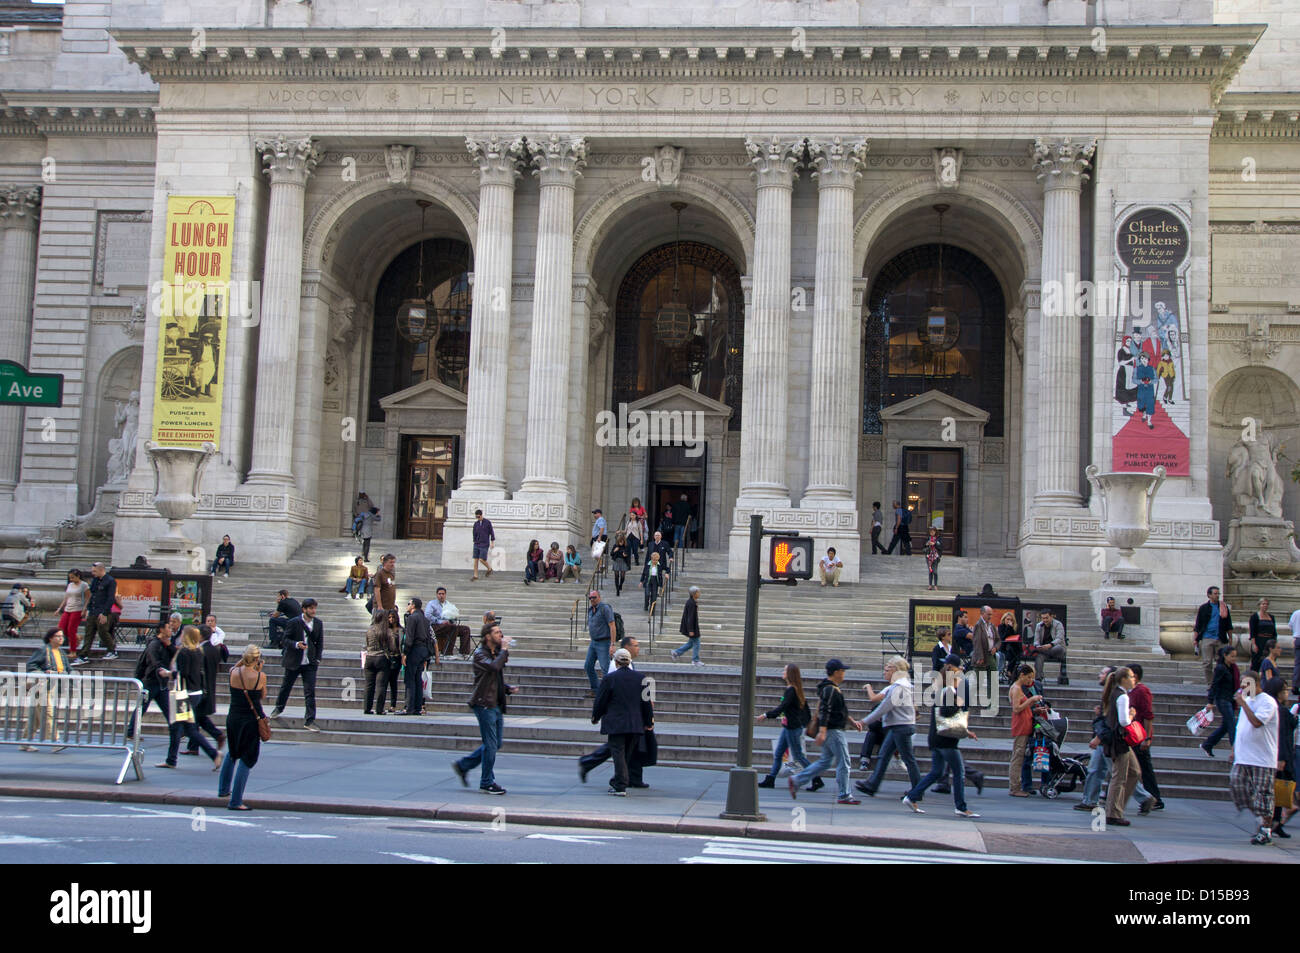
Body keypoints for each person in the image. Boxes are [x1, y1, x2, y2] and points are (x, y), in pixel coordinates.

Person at [902, 655, 981, 817]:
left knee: (936, 772)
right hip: (946, 740)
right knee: (959, 772)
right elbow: (947, 713)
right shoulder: (950, 692)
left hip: (936, 737)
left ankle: (911, 796)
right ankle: (961, 806)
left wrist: (966, 730)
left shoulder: (940, 691)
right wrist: (961, 706)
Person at [452, 621, 517, 795]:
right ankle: (487, 781)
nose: (500, 635)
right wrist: (504, 650)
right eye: (497, 633)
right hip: (484, 704)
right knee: (490, 745)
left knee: (496, 743)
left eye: (501, 632)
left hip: (495, 703)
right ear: (488, 636)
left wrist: (506, 688)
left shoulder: (493, 653)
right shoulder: (480, 654)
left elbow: (493, 678)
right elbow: (494, 667)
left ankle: (463, 765)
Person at [789, 659, 864, 805]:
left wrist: (851, 722)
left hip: (831, 730)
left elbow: (838, 709)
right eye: (842, 671)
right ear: (836, 672)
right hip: (833, 730)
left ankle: (797, 780)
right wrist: (822, 731)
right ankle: (844, 794)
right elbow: (825, 710)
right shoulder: (830, 689)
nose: (844, 674)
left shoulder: (830, 688)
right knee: (844, 761)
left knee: (825, 761)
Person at [590, 648, 654, 795]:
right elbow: (646, 702)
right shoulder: (641, 678)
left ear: (616, 662)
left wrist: (595, 717)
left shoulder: (609, 678)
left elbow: (601, 700)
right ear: (629, 661)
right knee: (626, 754)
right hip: (635, 723)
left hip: (616, 722)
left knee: (618, 752)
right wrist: (649, 721)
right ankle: (620, 781)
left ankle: (620, 785)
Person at [159, 626, 222, 772]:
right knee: (179, 727)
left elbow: (183, 674)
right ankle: (171, 759)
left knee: (187, 729)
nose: (180, 635)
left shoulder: (185, 652)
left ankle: (212, 754)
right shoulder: (198, 651)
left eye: (182, 633)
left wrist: (168, 674)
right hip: (195, 692)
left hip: (183, 693)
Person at [856, 656, 921, 798]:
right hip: (899, 725)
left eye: (888, 668)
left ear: (896, 670)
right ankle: (872, 785)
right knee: (884, 755)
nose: (885, 671)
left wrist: (864, 721)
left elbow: (882, 708)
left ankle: (917, 790)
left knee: (908, 759)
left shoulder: (898, 688)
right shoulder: (902, 686)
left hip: (901, 727)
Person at [1231, 676, 1283, 845]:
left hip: (1262, 757)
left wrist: (1243, 704)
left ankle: (1265, 829)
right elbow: (1242, 726)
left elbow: (1256, 723)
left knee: (1264, 794)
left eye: (1247, 685)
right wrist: (1234, 749)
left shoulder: (1267, 702)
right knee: (1236, 782)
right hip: (1244, 755)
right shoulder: (1247, 700)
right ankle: (1260, 817)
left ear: (1257, 684)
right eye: (1242, 685)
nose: (1243, 688)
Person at [217, 645, 268, 811]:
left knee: (233, 752)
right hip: (250, 720)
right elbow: (262, 696)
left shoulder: (233, 672)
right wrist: (257, 668)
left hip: (233, 718)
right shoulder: (260, 676)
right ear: (257, 659)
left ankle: (223, 789)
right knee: (247, 758)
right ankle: (236, 800)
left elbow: (236, 667)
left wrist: (245, 660)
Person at [270, 597, 323, 731]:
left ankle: (310, 720)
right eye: (311, 608)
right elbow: (285, 639)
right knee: (286, 686)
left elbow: (320, 643)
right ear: (304, 609)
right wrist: (296, 644)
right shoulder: (294, 622)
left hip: (309, 663)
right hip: (294, 660)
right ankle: (278, 707)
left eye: (314, 608)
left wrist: (317, 659)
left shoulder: (318, 623)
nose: (313, 611)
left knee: (309, 691)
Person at [757, 663, 812, 787]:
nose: (783, 672)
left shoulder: (792, 690)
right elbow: (805, 709)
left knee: (798, 756)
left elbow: (782, 707)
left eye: (785, 670)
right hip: (790, 727)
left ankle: (816, 778)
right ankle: (771, 779)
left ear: (790, 674)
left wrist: (766, 715)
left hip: (792, 728)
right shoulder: (794, 689)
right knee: (779, 753)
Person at [1102, 667, 1141, 827]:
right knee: (1119, 777)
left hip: (1118, 740)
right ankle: (1113, 812)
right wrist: (1132, 715)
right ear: (1123, 679)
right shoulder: (1122, 696)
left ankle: (1116, 808)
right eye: (1131, 677)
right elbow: (1124, 721)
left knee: (1134, 772)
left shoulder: (1116, 693)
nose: (1134, 680)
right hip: (1120, 740)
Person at [20, 628, 70, 751]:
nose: (61, 638)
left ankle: (25, 742)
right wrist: (43, 673)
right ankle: (55, 742)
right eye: (58, 636)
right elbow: (31, 665)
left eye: (62, 636)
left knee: (35, 717)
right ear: (50, 638)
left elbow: (67, 668)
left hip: (52, 687)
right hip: (41, 687)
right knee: (48, 713)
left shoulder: (61, 652)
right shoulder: (43, 651)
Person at [183, 623, 228, 757]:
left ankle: (196, 745)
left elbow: (198, 670)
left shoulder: (202, 651)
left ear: (201, 636)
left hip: (201, 688)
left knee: (195, 717)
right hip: (208, 686)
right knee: (199, 717)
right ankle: (215, 736)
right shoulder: (213, 649)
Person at [1127, 663, 1165, 812]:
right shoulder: (1132, 691)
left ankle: (1154, 798)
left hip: (1139, 735)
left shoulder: (1142, 691)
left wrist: (1147, 738)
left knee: (1143, 768)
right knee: (1140, 768)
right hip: (1133, 735)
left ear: (1134, 676)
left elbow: (1148, 716)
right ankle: (1151, 797)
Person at [1008, 664, 1048, 797]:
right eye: (1029, 677)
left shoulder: (1018, 688)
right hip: (1021, 725)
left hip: (1025, 723)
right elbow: (1016, 709)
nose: (1030, 681)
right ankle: (1015, 787)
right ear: (1022, 675)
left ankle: (1016, 786)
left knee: (1019, 755)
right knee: (1018, 756)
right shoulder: (1016, 688)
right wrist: (1031, 700)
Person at [1201, 645, 1242, 757]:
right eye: (1232, 656)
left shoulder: (1233, 668)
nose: (1234, 659)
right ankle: (1236, 750)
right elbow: (1214, 685)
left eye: (1235, 656)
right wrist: (1210, 701)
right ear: (1225, 656)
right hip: (1222, 699)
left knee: (1226, 726)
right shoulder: (1220, 668)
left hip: (1230, 699)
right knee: (1232, 724)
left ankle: (1208, 744)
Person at [400, 597, 438, 715]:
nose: (407, 605)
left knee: (410, 679)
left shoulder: (412, 618)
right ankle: (417, 707)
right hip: (423, 651)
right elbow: (429, 637)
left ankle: (409, 707)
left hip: (414, 650)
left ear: (413, 606)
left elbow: (409, 637)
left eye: (409, 604)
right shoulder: (425, 619)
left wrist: (405, 652)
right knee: (418, 679)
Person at [77, 561, 118, 664]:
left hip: (103, 611)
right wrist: (87, 608)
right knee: (89, 632)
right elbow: (92, 594)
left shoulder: (110, 581)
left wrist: (105, 613)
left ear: (101, 570)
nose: (93, 573)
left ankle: (112, 650)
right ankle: (83, 655)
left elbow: (110, 598)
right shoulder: (95, 580)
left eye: (94, 571)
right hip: (93, 610)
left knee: (103, 631)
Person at [1193, 586, 1233, 686]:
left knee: (1222, 662)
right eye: (1215, 593)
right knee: (1207, 663)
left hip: (1221, 638)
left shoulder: (1223, 607)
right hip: (1207, 637)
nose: (1217, 595)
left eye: (1218, 593)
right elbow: (1198, 624)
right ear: (1209, 595)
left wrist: (1230, 638)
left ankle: (1220, 682)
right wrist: (1196, 639)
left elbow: (1228, 624)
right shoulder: (1203, 608)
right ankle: (1210, 684)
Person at [1273, 682, 1297, 839]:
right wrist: (1281, 758)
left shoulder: (1283, 709)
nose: (1287, 693)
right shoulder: (1280, 711)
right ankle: (1274, 823)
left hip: (1287, 754)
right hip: (1283, 755)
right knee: (1279, 790)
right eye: (1285, 691)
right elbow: (1282, 734)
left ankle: (1276, 823)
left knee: (1281, 791)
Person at [583, 588, 616, 693]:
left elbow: (612, 626)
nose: (592, 599)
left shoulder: (605, 608)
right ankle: (596, 689)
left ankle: (609, 692)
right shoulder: (590, 610)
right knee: (588, 665)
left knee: (605, 668)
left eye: (594, 597)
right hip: (594, 642)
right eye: (590, 598)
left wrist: (612, 644)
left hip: (604, 642)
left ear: (599, 597)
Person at [362, 609, 394, 715]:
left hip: (370, 658)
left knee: (369, 685)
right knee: (381, 685)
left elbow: (366, 644)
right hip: (382, 658)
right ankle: (379, 709)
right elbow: (392, 647)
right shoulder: (387, 631)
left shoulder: (369, 630)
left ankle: (367, 708)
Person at [426, 586, 471, 659]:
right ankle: (447, 653)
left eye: (443, 594)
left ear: (445, 595)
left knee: (465, 629)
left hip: (448, 626)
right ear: (436, 594)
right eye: (439, 594)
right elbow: (427, 615)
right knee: (452, 627)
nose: (441, 596)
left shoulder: (448, 604)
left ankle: (464, 653)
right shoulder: (431, 604)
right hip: (435, 626)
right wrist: (440, 621)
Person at [56, 569, 89, 659]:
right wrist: (59, 608)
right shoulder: (70, 585)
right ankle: (76, 637)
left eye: (73, 577)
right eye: (70, 578)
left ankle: (73, 651)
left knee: (71, 629)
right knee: (61, 628)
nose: (71, 579)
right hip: (68, 609)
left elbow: (87, 598)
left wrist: (84, 609)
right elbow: (66, 597)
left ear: (78, 576)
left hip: (77, 609)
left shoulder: (84, 585)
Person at [1027, 607, 1066, 683]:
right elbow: (1036, 640)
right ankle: (1038, 679)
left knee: (1058, 647)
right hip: (1044, 650)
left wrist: (1050, 645)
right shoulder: (1039, 625)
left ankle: (1038, 651)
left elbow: (1059, 639)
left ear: (1051, 616)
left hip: (1056, 649)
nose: (1045, 620)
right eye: (1043, 618)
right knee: (1039, 657)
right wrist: (1038, 646)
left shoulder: (1058, 624)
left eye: (1046, 618)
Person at [671, 585, 703, 664]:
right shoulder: (691, 603)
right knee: (696, 643)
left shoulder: (692, 602)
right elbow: (690, 618)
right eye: (698, 592)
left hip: (693, 627)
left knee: (691, 643)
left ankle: (676, 652)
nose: (699, 594)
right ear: (694, 593)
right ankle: (695, 660)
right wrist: (691, 630)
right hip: (692, 628)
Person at [1249, 598, 1277, 672]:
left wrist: (1274, 644)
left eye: (1267, 604)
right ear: (1259, 605)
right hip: (1259, 641)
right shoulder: (1254, 617)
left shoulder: (1271, 617)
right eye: (1263, 604)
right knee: (1256, 663)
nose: (1265, 606)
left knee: (1269, 662)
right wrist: (1254, 644)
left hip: (1269, 642)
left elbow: (1274, 632)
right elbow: (1252, 632)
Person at [970, 605, 999, 676]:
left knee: (993, 678)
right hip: (982, 655)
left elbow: (998, 640)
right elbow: (977, 642)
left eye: (991, 614)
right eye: (988, 614)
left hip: (991, 654)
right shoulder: (978, 625)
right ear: (982, 614)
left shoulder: (992, 626)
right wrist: (980, 657)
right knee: (979, 680)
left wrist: (995, 647)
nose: (990, 616)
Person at [384, 608, 403, 712]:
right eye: (389, 617)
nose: (391, 619)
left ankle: (393, 705)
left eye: (393, 617)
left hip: (397, 657)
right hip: (388, 657)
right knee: (385, 681)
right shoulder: (386, 630)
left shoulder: (401, 630)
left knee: (393, 681)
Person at [471, 509, 495, 580]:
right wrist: (474, 541)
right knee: (475, 560)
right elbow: (474, 533)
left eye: (478, 517)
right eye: (476, 517)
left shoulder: (487, 522)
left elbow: (491, 532)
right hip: (476, 543)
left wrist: (492, 542)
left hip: (484, 544)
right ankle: (475, 575)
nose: (478, 518)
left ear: (481, 515)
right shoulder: (476, 524)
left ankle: (489, 568)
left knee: (482, 559)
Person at [354, 495, 376, 561]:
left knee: (365, 543)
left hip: (363, 529)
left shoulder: (364, 514)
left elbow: (371, 505)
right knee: (367, 543)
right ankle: (365, 557)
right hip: (367, 530)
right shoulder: (370, 515)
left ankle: (364, 554)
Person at [627, 498, 647, 566]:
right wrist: (620, 532)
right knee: (628, 549)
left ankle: (636, 560)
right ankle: (628, 562)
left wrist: (641, 540)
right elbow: (625, 530)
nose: (635, 504)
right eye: (631, 515)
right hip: (629, 536)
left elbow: (641, 531)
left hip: (636, 536)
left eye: (637, 503)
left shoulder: (638, 522)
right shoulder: (628, 521)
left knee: (635, 550)